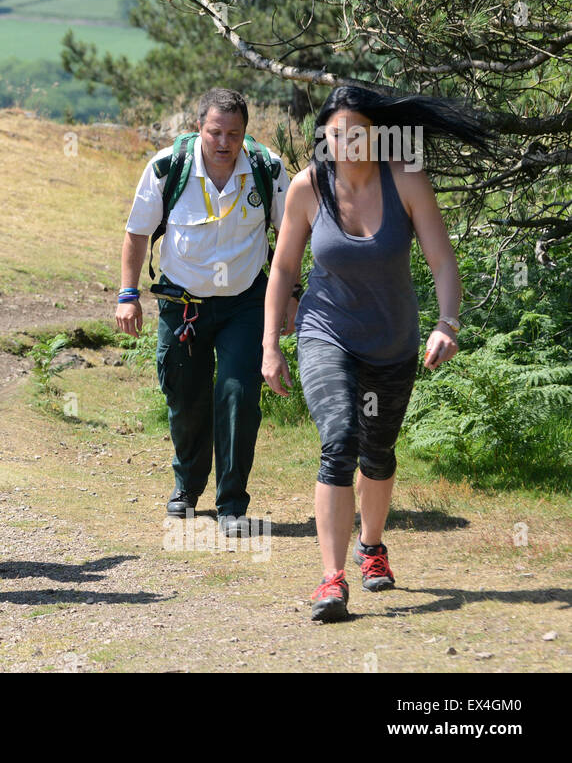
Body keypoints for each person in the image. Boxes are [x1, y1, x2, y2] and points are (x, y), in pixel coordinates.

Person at [262, 86, 489, 622]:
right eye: (337, 134)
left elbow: (442, 262)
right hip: (326, 333)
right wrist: (271, 344)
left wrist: (447, 324)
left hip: (391, 341)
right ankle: (331, 578)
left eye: (358, 133)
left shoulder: (405, 180)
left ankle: (371, 547)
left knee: (378, 452)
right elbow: (283, 270)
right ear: (325, 137)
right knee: (339, 440)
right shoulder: (307, 188)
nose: (347, 143)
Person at [115, 88, 295, 535]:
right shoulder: (166, 167)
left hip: (244, 303)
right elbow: (137, 234)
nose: (224, 142)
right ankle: (186, 488)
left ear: (245, 134)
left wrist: (293, 292)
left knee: (238, 396)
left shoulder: (267, 169)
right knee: (186, 400)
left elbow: (289, 235)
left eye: (234, 134)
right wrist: (127, 293)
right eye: (215, 132)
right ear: (200, 128)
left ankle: (232, 501)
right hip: (183, 304)